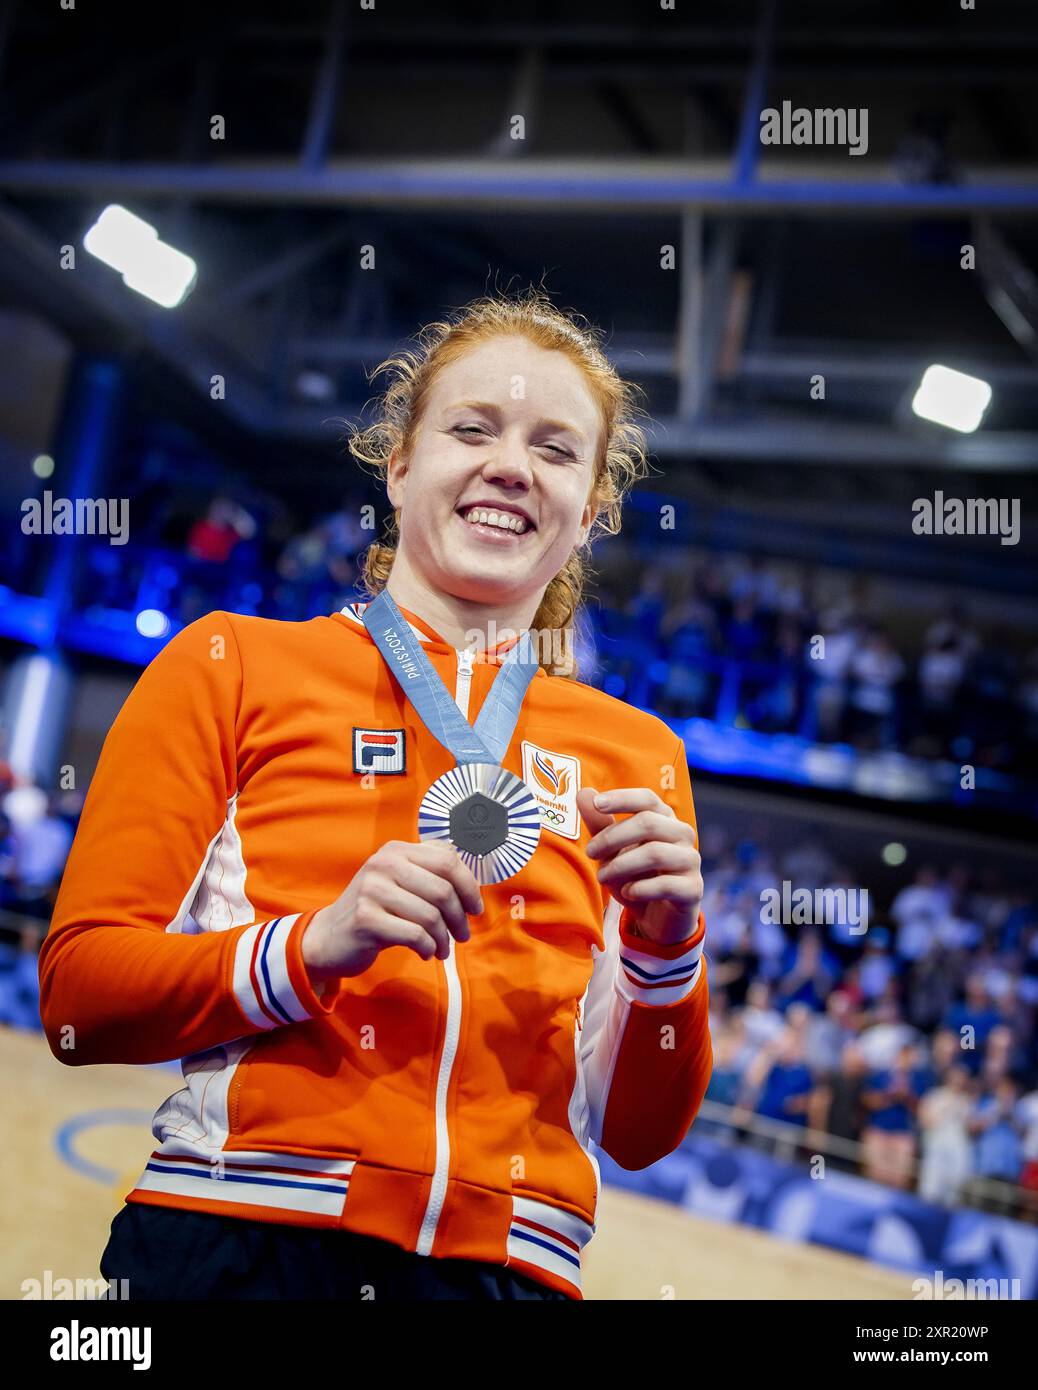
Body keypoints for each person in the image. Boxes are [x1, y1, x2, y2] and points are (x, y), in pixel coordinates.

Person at [38, 290, 712, 1302]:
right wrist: (311, 945)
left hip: (512, 1274)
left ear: (589, 515)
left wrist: (669, 953)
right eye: (472, 428)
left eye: (557, 449)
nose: (511, 466)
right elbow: (80, 1002)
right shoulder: (232, 663)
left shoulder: (638, 752)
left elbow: (641, 1135)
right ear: (400, 467)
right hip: (238, 1242)